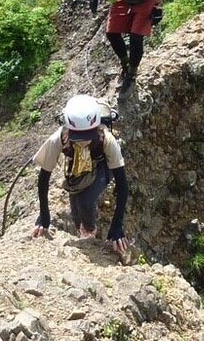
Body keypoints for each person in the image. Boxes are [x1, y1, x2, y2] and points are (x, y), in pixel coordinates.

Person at [31, 94, 130, 256]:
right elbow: (44, 178)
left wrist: (117, 226)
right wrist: (44, 216)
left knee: (85, 201)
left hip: (102, 165)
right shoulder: (58, 139)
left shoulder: (106, 140)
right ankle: (82, 229)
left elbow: (122, 184)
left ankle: (90, 231)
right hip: (76, 166)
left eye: (87, 138)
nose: (83, 142)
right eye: (78, 138)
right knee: (76, 209)